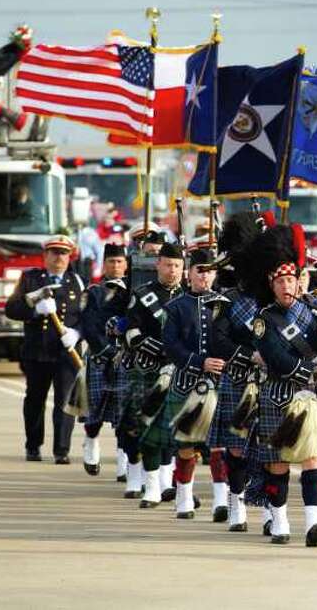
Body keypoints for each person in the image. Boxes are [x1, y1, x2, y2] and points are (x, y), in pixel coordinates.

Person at [245, 222, 317, 546]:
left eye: (291, 279)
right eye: (280, 281)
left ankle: (314, 524)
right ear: (271, 284)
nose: (287, 286)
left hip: (315, 397)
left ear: (299, 279)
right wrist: (315, 366)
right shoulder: (264, 320)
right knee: (278, 465)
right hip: (279, 394)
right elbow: (275, 358)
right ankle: (279, 522)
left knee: (313, 458)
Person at [146, 248, 228, 519]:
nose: (205, 276)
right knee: (185, 445)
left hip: (219, 383)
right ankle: (183, 499)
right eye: (200, 270)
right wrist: (198, 362)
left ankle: (221, 502)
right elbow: (171, 346)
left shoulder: (226, 305)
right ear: (188, 273)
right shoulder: (176, 307)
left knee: (219, 445)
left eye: (210, 271)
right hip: (185, 382)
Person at [4, 235, 86, 464]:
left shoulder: (78, 282)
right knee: (35, 400)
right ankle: (33, 446)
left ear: (70, 257)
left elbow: (89, 315)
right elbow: (11, 309)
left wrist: (77, 333)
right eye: (54, 253)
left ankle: (62, 450)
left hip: (66, 352)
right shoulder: (30, 279)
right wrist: (34, 310)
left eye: (63, 253)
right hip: (37, 351)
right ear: (45, 256)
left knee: (64, 402)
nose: (58, 257)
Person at [207, 213, 262, 531]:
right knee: (237, 448)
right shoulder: (228, 301)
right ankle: (236, 502)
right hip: (238, 377)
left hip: (270, 379)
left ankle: (270, 509)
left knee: (268, 447)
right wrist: (247, 354)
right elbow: (218, 338)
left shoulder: (273, 302)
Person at [123, 242, 186, 508]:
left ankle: (166, 482)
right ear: (158, 264)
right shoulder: (142, 294)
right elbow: (132, 333)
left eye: (178, 266)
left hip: (181, 371)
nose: (172, 271)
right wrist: (164, 352)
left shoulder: (190, 298)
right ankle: (150, 488)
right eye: (168, 265)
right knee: (146, 427)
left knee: (173, 429)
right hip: (148, 369)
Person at [78, 243, 130, 478]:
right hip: (100, 356)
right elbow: (89, 326)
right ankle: (91, 441)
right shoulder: (94, 292)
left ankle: (123, 462)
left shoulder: (133, 291)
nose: (116, 266)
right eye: (111, 261)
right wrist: (107, 350)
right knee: (95, 409)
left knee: (124, 413)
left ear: (126, 264)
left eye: (119, 261)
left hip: (126, 358)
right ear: (104, 264)